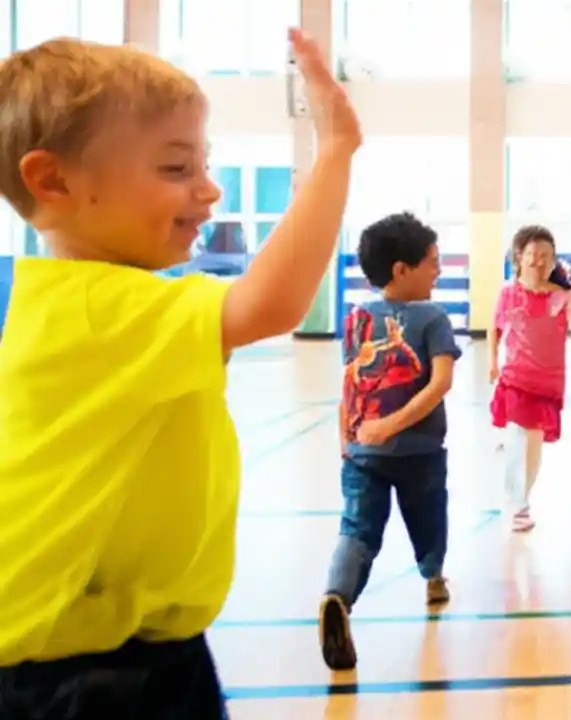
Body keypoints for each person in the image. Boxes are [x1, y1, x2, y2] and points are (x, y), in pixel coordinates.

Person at [0, 30, 360, 716]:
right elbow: (274, 303)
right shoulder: (99, 306)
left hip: (134, 650)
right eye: (174, 169)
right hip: (83, 676)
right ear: (53, 180)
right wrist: (335, 150)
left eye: (203, 162)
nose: (209, 188)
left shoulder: (89, 301)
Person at [319, 213, 460, 672]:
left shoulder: (358, 316)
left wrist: (347, 432)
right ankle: (433, 576)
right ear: (402, 269)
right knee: (428, 519)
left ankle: (338, 596)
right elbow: (439, 384)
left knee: (357, 530)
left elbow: (350, 381)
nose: (439, 271)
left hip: (361, 452)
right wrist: (392, 425)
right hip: (418, 452)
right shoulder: (432, 317)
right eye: (433, 263)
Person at [489, 225, 571, 532]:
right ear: (519, 257)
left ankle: (524, 496)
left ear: (554, 261)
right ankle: (516, 503)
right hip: (515, 378)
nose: (538, 261)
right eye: (532, 255)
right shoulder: (507, 293)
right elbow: (493, 327)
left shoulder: (563, 298)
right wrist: (492, 361)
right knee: (516, 439)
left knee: (534, 444)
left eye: (545, 256)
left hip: (548, 382)